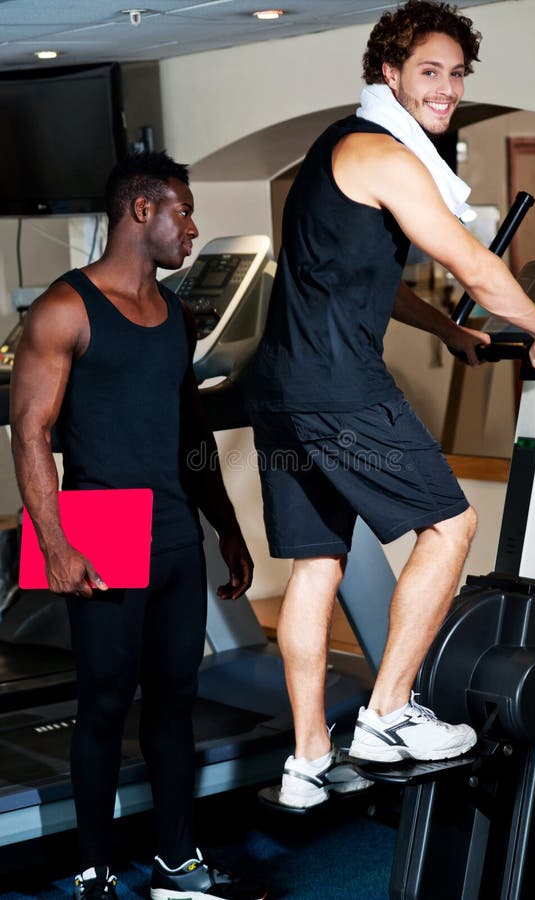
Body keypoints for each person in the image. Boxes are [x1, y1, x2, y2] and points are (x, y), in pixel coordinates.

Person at [245, 0, 535, 811]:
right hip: (337, 389)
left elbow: (372, 280)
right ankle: (388, 713)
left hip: (282, 392)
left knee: (316, 564)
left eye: (456, 73)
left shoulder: (337, 149)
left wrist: (450, 334)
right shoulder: (382, 154)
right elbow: (471, 263)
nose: (446, 87)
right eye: (428, 71)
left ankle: (307, 761)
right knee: (452, 525)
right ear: (387, 73)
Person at [10, 152, 265, 900]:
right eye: (182, 210)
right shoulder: (65, 308)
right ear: (142, 211)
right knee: (103, 704)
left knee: (175, 701)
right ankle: (91, 870)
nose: (192, 225)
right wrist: (54, 546)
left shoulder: (176, 315)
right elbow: (30, 432)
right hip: (97, 526)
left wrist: (224, 523)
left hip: (174, 529)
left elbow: (190, 430)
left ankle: (175, 863)